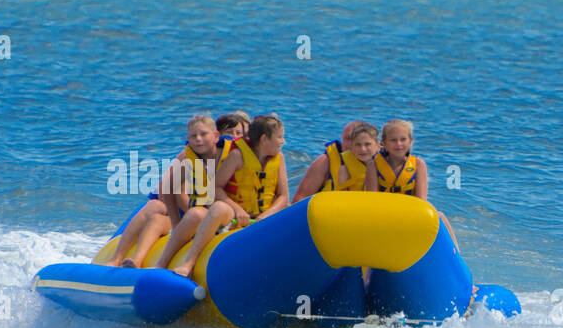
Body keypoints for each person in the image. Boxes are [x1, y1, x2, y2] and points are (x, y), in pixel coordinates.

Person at [155, 114, 289, 277]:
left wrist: (264, 217)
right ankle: (184, 263)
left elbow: (283, 196)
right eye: (280, 137)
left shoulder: (278, 158)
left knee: (289, 210)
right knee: (211, 209)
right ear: (263, 139)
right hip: (230, 214)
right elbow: (215, 187)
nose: (283, 141)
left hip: (261, 217)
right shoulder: (235, 156)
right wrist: (176, 224)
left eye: (203, 134)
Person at [103, 114, 220, 268]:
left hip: (206, 214)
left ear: (216, 136)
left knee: (164, 213)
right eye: (194, 136)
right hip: (186, 211)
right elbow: (170, 190)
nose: (198, 139)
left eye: (203, 134)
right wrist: (179, 221)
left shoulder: (229, 157)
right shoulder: (188, 158)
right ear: (188, 139)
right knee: (155, 207)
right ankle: (122, 259)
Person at [291, 120, 382, 200]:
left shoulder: (385, 162)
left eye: (366, 143)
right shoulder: (325, 161)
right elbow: (300, 199)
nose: (351, 144)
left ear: (377, 145)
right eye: (348, 139)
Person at [365, 119, 428, 199]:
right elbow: (372, 198)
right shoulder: (373, 166)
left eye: (403, 139)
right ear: (384, 143)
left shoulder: (419, 165)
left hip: (410, 210)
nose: (399, 144)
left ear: (410, 141)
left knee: (439, 212)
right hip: (383, 209)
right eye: (393, 140)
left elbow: (421, 199)